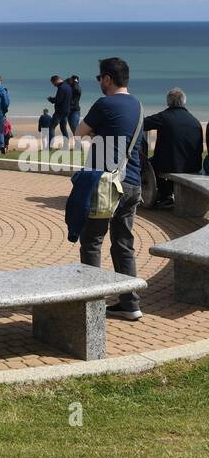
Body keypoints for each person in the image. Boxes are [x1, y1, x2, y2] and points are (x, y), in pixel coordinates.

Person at [76, 56, 144, 321]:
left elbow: (79, 131)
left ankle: (90, 303)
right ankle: (130, 304)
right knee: (123, 243)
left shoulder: (104, 104)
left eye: (99, 79)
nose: (99, 84)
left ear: (107, 78)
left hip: (106, 183)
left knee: (92, 241)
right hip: (132, 181)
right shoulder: (138, 105)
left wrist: (97, 134)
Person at [143, 89, 203, 210]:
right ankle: (167, 195)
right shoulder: (195, 121)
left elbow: (143, 124)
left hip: (169, 165)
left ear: (168, 103)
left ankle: (165, 196)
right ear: (184, 103)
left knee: (147, 164)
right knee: (167, 161)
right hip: (193, 165)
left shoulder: (164, 117)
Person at [48, 75, 72, 146]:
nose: (54, 85)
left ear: (55, 81)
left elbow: (59, 100)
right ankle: (66, 145)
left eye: (53, 83)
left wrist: (51, 99)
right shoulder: (68, 87)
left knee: (51, 127)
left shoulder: (61, 88)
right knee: (63, 128)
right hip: (67, 110)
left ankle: (50, 146)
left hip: (60, 111)